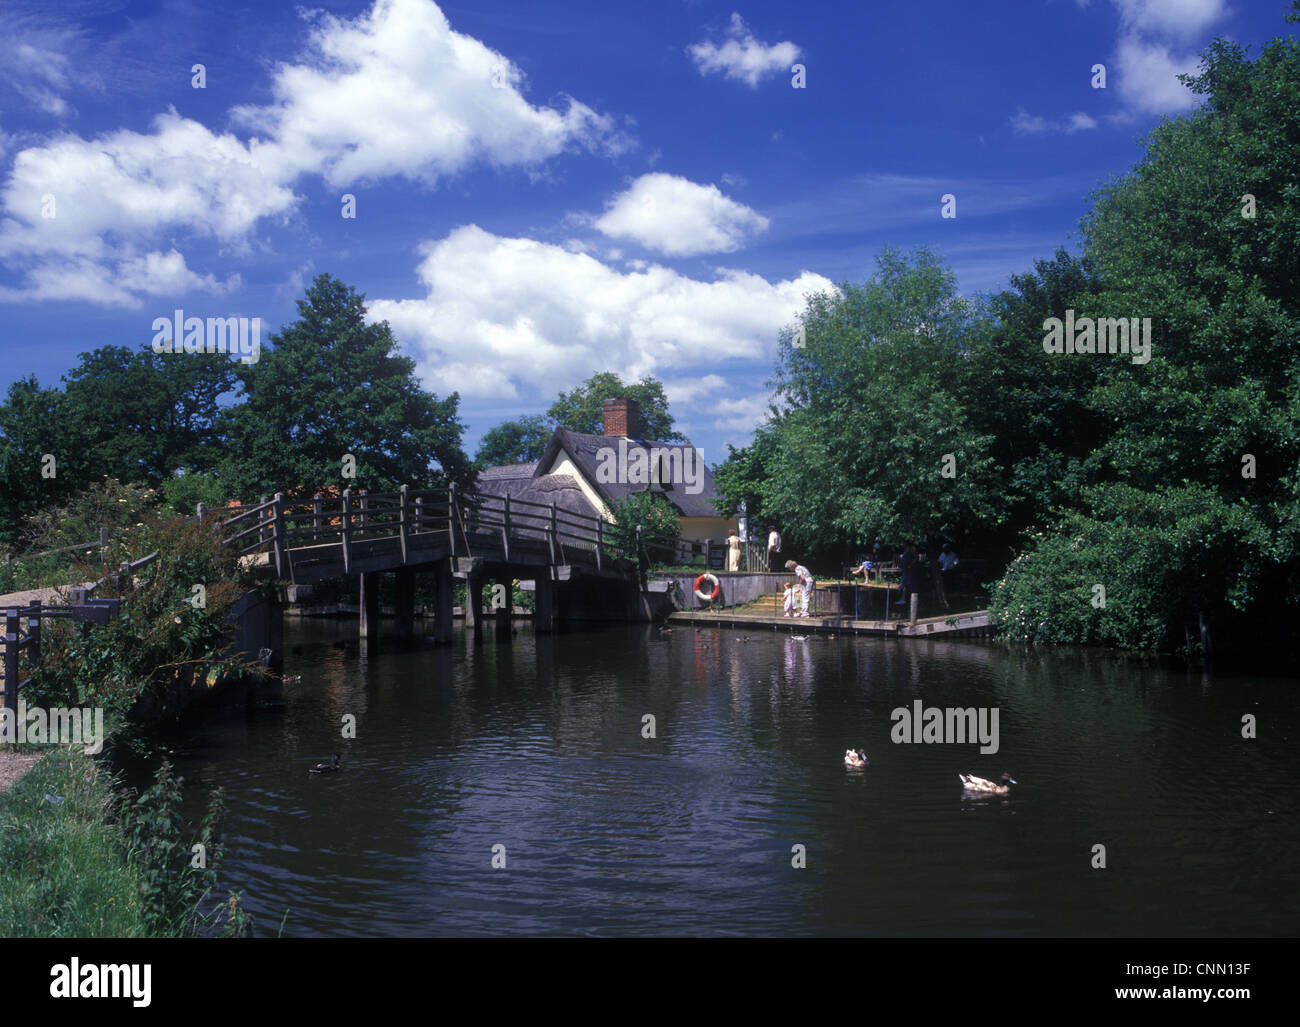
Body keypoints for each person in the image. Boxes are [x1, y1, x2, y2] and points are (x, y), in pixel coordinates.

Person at [896, 541, 918, 606]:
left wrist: (911, 565)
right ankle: (903, 599)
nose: (901, 544)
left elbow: (916, 558)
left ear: (906, 542)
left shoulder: (912, 548)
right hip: (905, 570)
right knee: (903, 584)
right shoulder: (905, 550)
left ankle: (914, 601)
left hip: (910, 570)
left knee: (910, 584)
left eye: (902, 542)